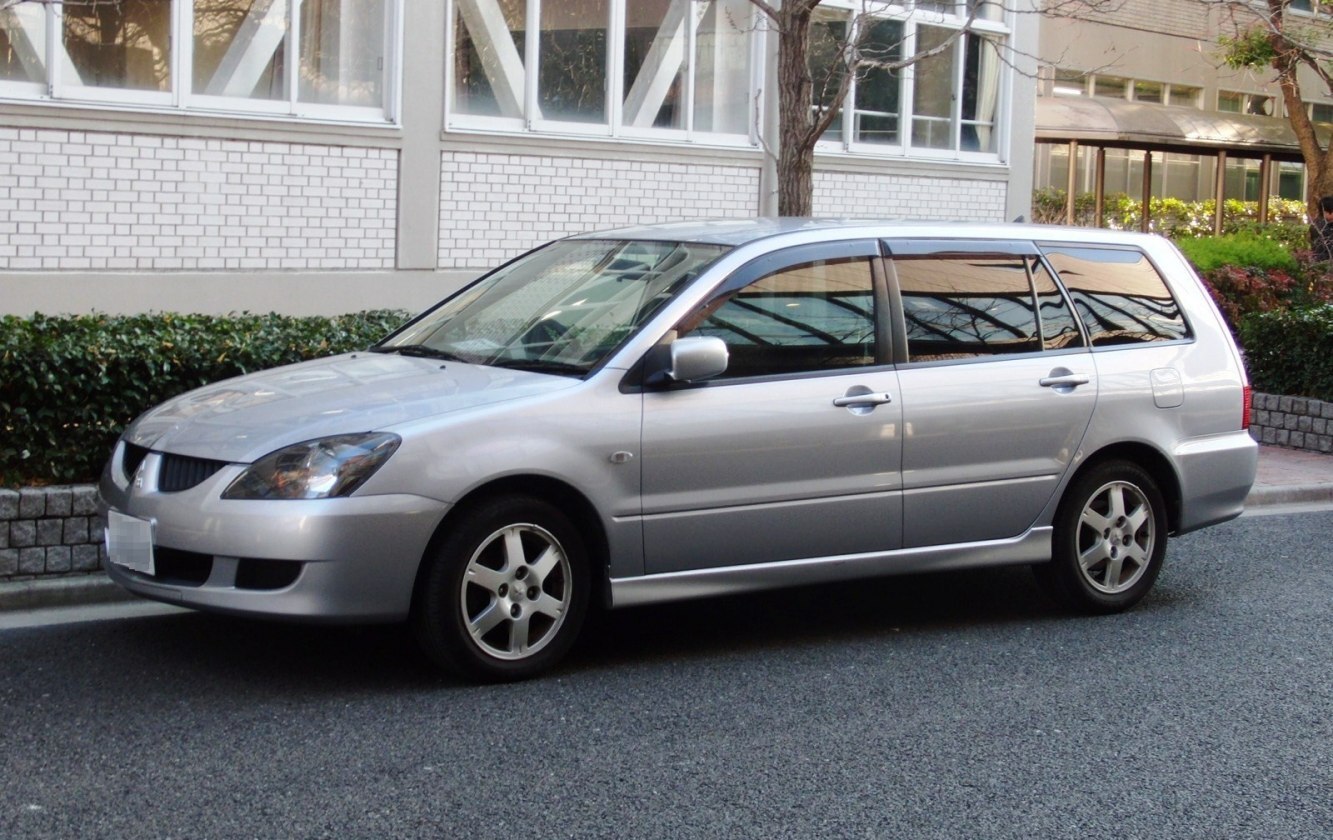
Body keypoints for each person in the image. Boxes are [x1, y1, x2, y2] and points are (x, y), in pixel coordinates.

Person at [1309, 196, 1333, 262]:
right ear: (1326, 212)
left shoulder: (1328, 224)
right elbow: (1324, 249)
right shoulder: (1319, 227)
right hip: (1324, 263)